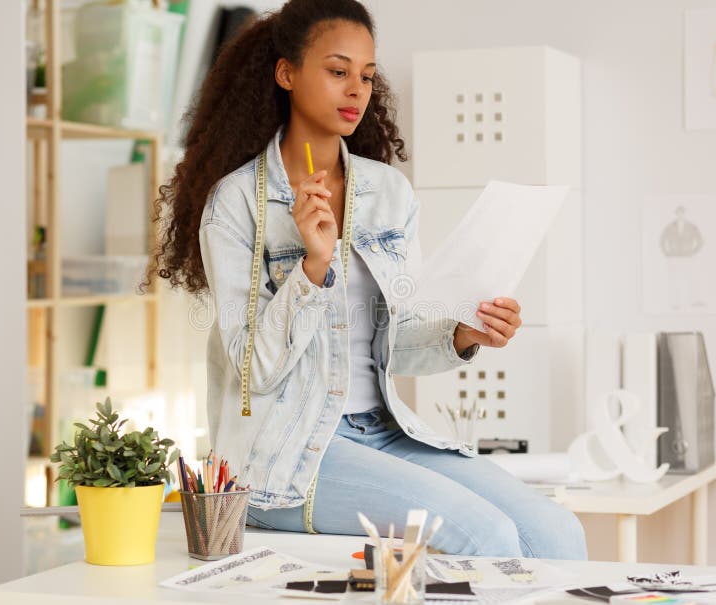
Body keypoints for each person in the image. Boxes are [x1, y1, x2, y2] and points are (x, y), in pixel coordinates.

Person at [149, 0, 586, 559]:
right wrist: (312, 268)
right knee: (487, 535)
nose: (356, 89)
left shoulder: (388, 193)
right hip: (282, 453)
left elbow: (394, 346)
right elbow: (253, 368)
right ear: (286, 73)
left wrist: (462, 335)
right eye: (338, 71)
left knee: (557, 531)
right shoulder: (237, 203)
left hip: (382, 431)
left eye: (367, 76)